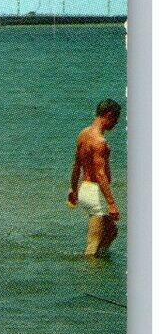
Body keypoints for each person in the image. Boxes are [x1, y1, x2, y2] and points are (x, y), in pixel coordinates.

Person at [68, 99, 122, 257]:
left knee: (111, 230)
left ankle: (99, 261)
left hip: (84, 189)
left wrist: (73, 188)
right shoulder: (100, 142)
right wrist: (111, 203)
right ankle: (89, 272)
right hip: (95, 193)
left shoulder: (83, 134)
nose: (116, 124)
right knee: (92, 244)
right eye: (116, 119)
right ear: (109, 115)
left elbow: (76, 165)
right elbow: (100, 174)